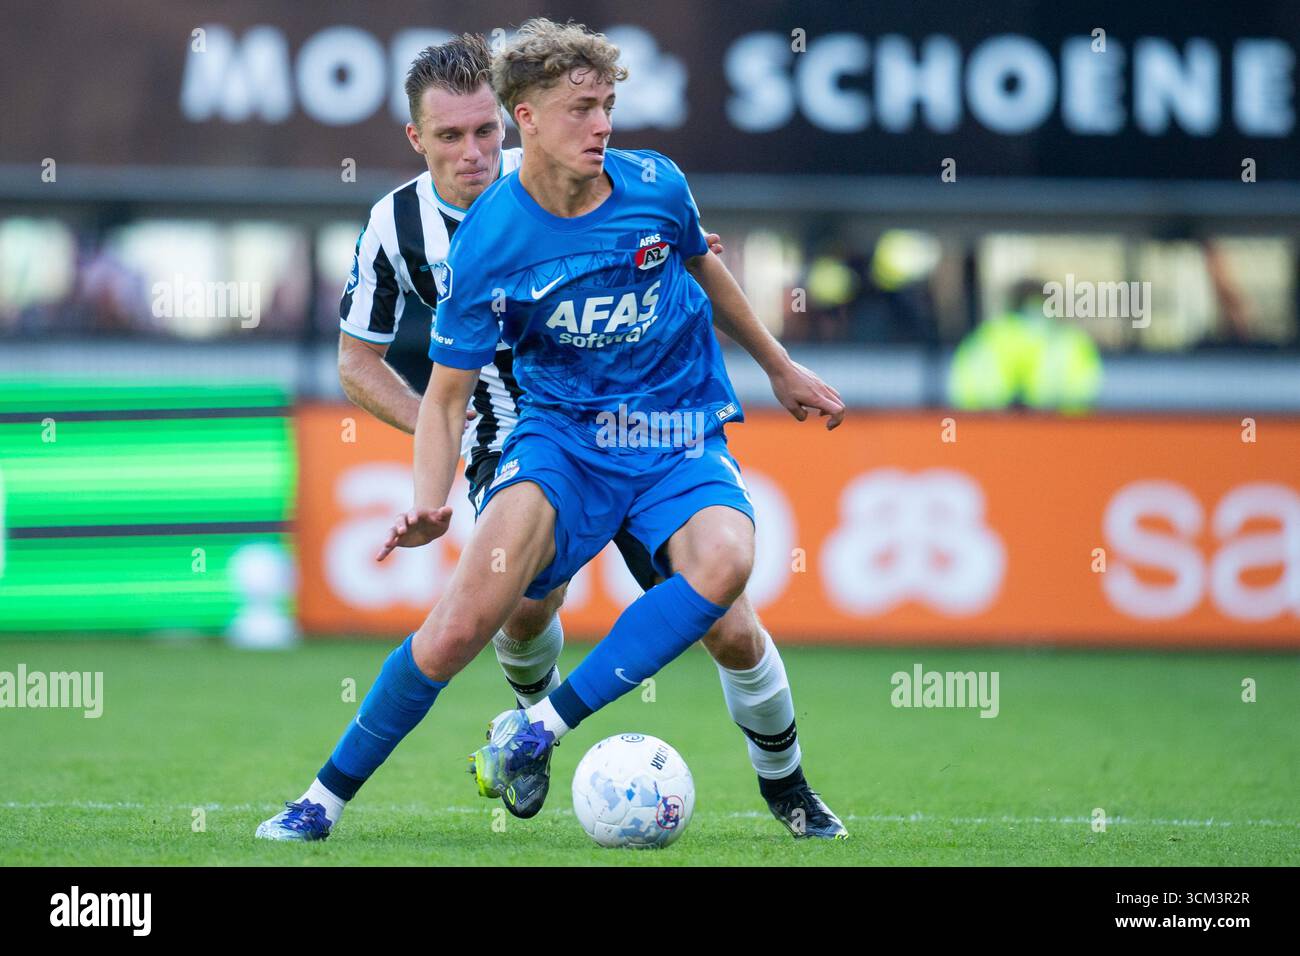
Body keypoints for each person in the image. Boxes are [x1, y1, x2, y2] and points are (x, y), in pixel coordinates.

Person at [257, 24, 847, 843]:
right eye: (450, 136)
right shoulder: (445, 235)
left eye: (483, 132)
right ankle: (325, 799)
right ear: (418, 139)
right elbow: (397, 378)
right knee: (497, 619)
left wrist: (777, 365)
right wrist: (441, 475)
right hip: (541, 435)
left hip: (668, 430)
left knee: (732, 615)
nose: (471, 152)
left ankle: (763, 783)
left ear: (510, 123)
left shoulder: (645, 183)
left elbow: (693, 255)